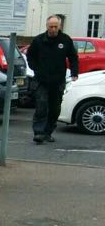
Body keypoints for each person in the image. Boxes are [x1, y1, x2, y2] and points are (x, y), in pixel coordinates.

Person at [25, 15, 79, 143]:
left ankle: (48, 132)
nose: (53, 29)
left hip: (58, 80)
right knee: (41, 106)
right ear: (47, 26)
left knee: (55, 109)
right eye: (51, 27)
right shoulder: (39, 40)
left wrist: (74, 72)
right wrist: (36, 68)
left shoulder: (65, 40)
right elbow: (30, 56)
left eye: (55, 26)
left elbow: (73, 57)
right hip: (41, 80)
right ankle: (38, 133)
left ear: (59, 26)